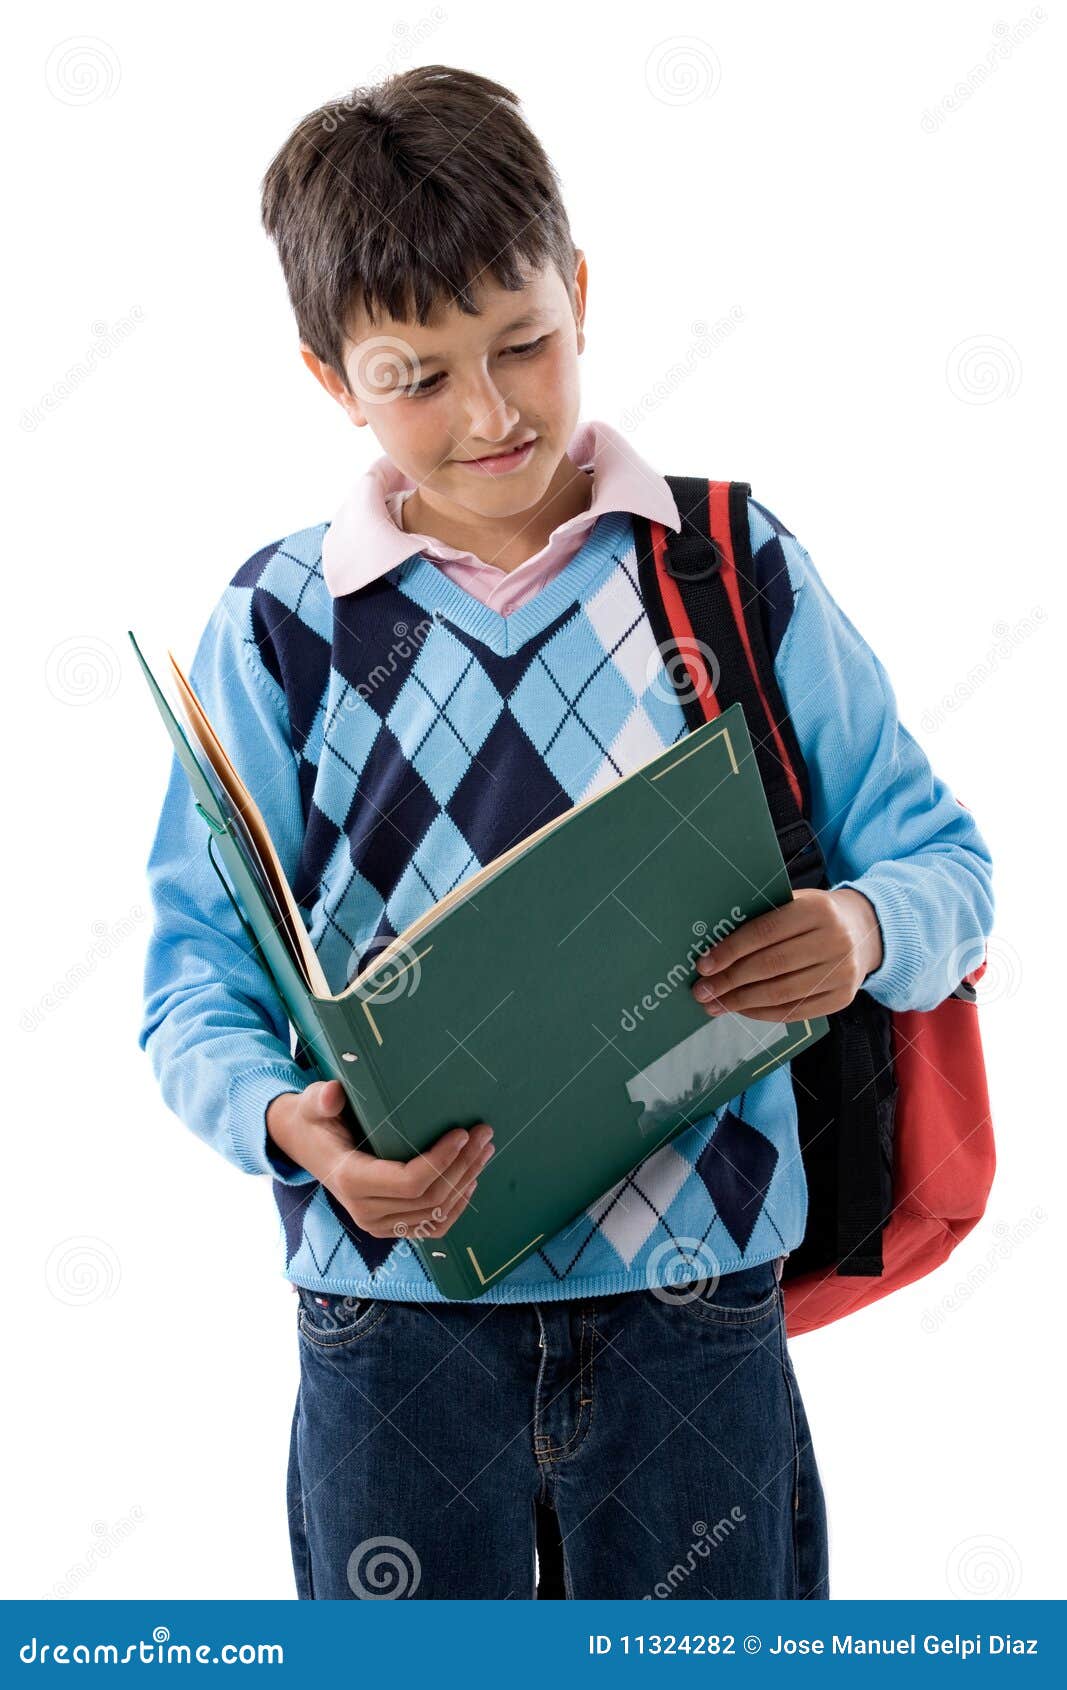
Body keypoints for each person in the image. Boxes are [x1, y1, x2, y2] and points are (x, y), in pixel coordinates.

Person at [138, 64, 994, 1601]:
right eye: (418, 375)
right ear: (332, 377)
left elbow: (948, 868)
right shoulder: (277, 628)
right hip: (387, 1319)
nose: (488, 412)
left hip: (697, 1310)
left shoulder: (730, 565)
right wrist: (289, 1125)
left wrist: (858, 932)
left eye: (524, 344)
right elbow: (194, 979)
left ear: (581, 291)